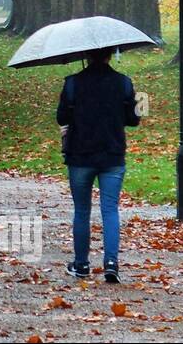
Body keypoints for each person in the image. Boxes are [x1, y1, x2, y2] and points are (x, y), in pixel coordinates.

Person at [56, 47, 141, 284]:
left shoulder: (73, 84)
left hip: (80, 156)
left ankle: (81, 263)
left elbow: (62, 117)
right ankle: (111, 263)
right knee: (110, 210)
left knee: (82, 211)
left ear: (87, 56)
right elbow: (133, 120)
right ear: (109, 55)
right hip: (112, 156)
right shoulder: (123, 83)